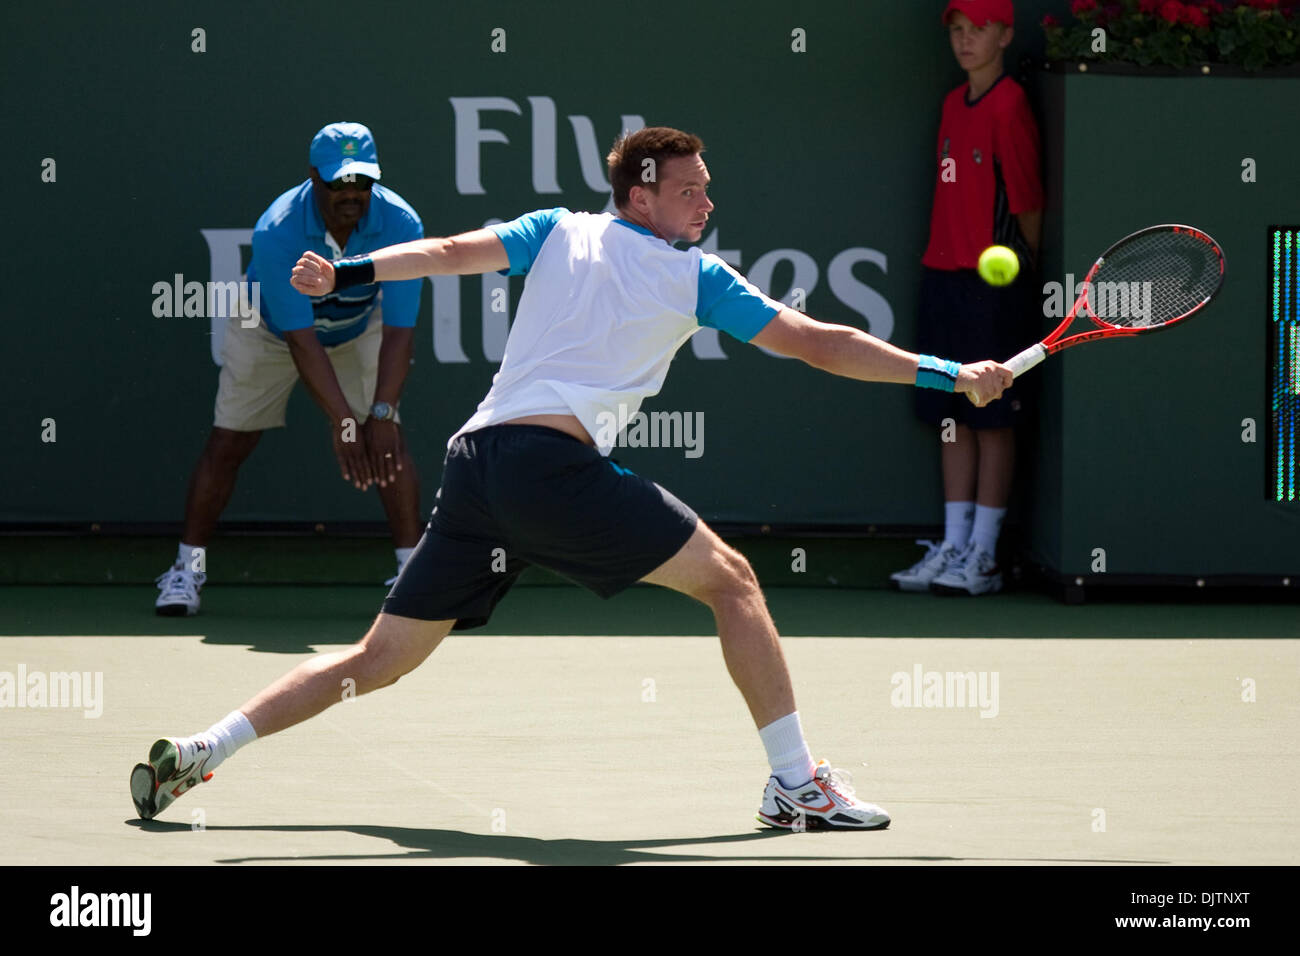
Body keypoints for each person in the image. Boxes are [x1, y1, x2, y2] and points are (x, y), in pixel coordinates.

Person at [130, 126, 1010, 831]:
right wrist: (947, 371)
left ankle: (204, 748)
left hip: (476, 469)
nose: (706, 200)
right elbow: (823, 345)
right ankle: (796, 784)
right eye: (689, 189)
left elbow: (440, 253)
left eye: (706, 186)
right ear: (640, 196)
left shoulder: (554, 229)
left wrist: (347, 270)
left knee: (379, 659)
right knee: (735, 583)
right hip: (550, 470)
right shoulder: (690, 276)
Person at [153, 123, 425, 616]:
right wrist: (343, 421)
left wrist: (380, 413)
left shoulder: (402, 223)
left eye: (361, 182)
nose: (350, 194)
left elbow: (400, 330)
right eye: (337, 182)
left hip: (358, 327)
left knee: (389, 441)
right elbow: (301, 340)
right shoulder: (277, 231)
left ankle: (415, 574)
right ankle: (185, 573)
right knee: (231, 441)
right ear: (313, 178)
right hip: (271, 332)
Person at [890, 0, 1043, 597]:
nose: (965, 39)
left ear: (1005, 35)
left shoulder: (1011, 105)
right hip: (941, 277)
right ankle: (953, 545)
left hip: (995, 289)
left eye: (978, 29)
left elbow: (1028, 203)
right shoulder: (954, 103)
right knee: (952, 415)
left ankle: (984, 555)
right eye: (957, 29)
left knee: (993, 417)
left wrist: (1021, 273)